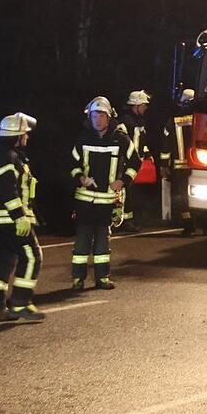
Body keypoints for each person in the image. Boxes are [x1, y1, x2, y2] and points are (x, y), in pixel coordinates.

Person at [71, 97, 139, 290]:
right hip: (84, 200)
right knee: (82, 243)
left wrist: (122, 181)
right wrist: (81, 178)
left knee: (103, 241)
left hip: (108, 200)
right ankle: (78, 279)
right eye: (94, 115)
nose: (97, 119)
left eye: (101, 115)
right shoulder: (83, 139)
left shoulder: (120, 139)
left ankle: (102, 278)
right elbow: (72, 165)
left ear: (109, 117)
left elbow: (135, 163)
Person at [0, 112, 43, 322]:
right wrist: (19, 216)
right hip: (10, 220)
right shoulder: (7, 156)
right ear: (17, 135)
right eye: (25, 133)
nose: (27, 137)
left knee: (3, 260)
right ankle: (20, 303)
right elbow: (7, 189)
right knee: (33, 256)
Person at [158, 89, 195, 235]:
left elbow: (165, 145)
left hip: (179, 167)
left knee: (182, 196)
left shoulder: (172, 121)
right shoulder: (200, 118)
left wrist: (164, 165)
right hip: (199, 166)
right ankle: (203, 225)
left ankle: (188, 226)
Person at [116, 90, 153, 230]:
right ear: (136, 105)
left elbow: (140, 141)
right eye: (143, 105)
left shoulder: (138, 121)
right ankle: (124, 221)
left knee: (132, 193)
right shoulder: (125, 122)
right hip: (125, 163)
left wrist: (147, 153)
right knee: (125, 192)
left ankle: (128, 219)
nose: (145, 108)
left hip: (135, 162)